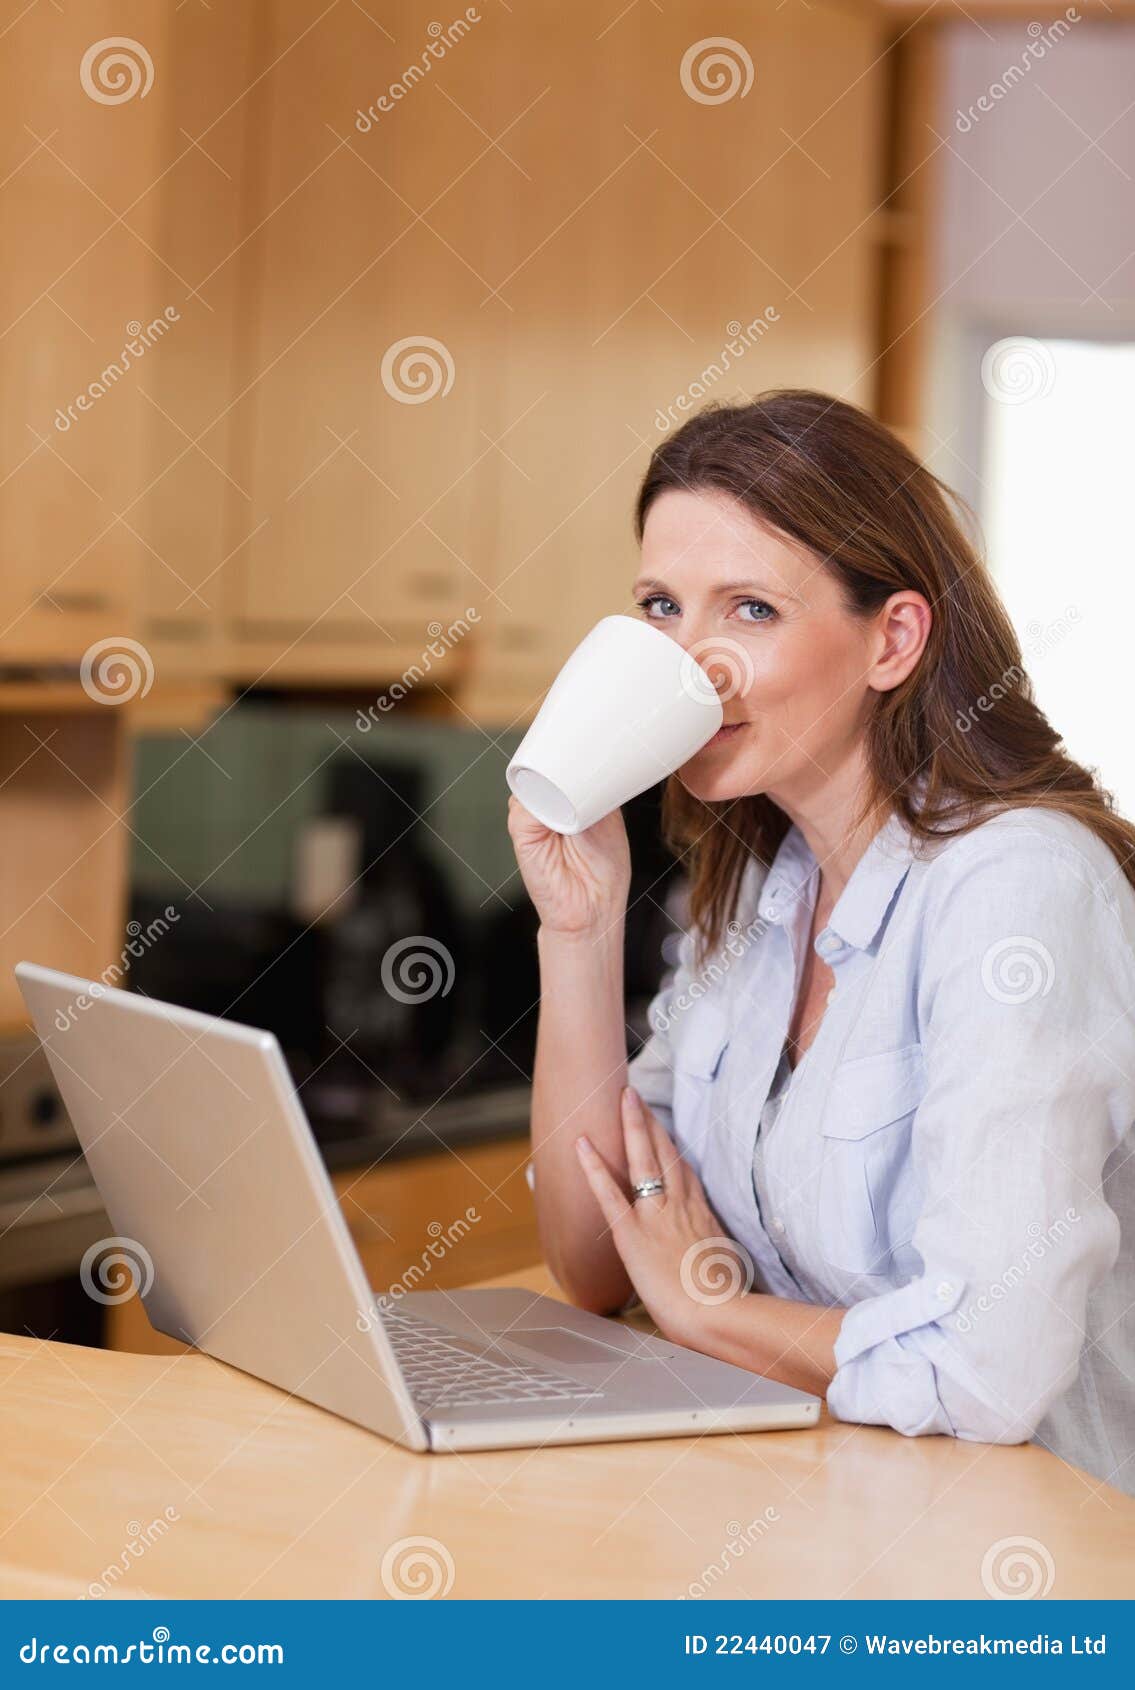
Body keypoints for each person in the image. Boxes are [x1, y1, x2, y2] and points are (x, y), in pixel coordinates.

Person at [507, 389, 1135, 1495]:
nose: (689, 664)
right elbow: (592, 1259)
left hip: (1033, 1557)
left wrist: (710, 1310)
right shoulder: (759, 880)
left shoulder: (1014, 887)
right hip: (830, 1513)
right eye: (660, 607)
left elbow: (988, 1372)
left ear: (891, 638)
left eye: (749, 610)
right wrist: (579, 927)